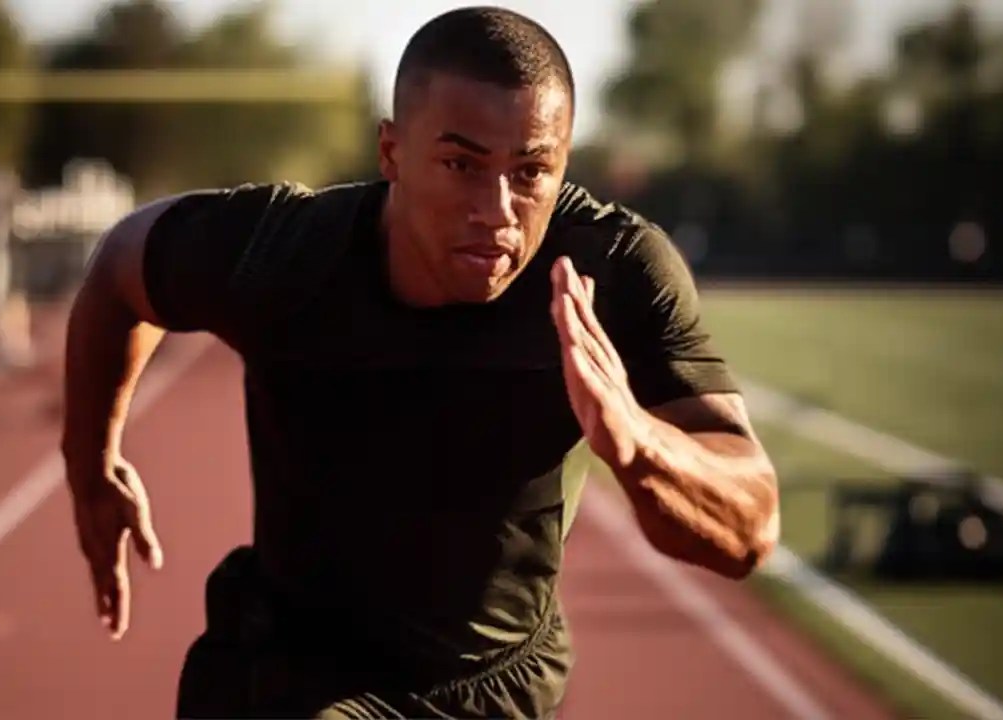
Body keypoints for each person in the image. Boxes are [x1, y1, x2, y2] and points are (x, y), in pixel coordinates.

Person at [60, 7, 782, 718]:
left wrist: (638, 443)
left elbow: (751, 527)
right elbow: (125, 262)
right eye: (461, 164)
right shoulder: (290, 255)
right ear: (392, 152)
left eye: (532, 170)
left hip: (494, 686)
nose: (497, 208)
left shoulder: (611, 272)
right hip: (293, 664)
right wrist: (89, 457)